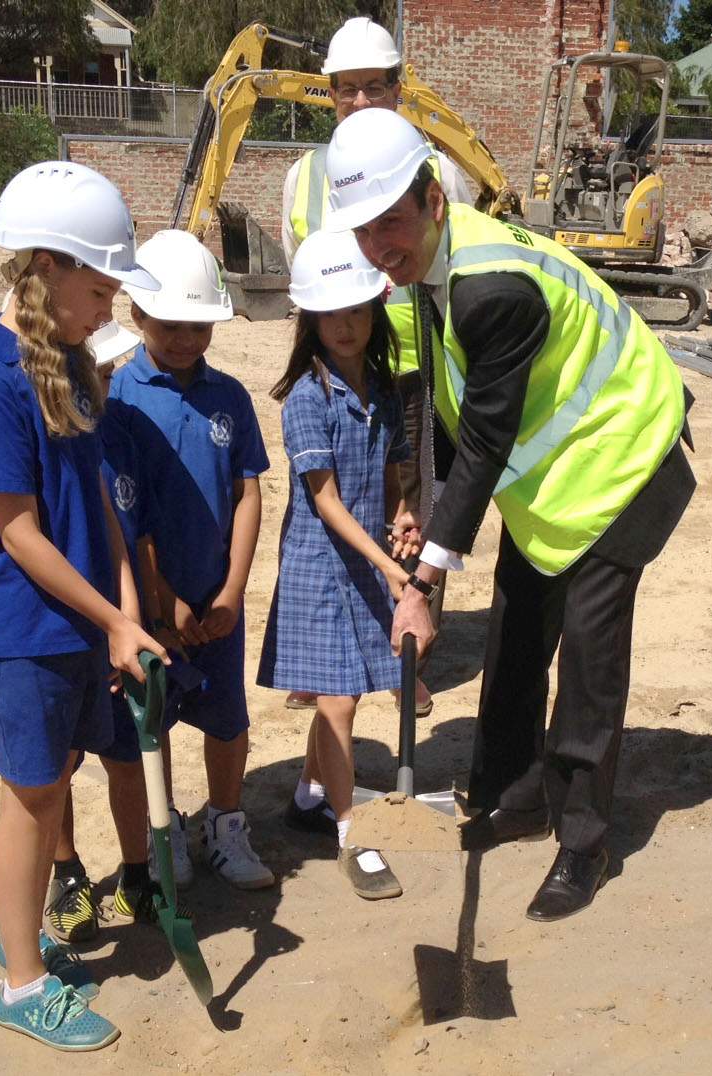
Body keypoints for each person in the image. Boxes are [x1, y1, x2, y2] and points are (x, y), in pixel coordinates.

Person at [324, 110, 697, 922]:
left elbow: (489, 436)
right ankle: (517, 792)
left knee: (591, 658)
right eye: (361, 230)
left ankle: (584, 841)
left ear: (430, 199)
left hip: (626, 458)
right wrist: (427, 520)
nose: (377, 247)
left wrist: (424, 579)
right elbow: (456, 410)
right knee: (518, 631)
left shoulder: (490, 286)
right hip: (560, 482)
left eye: (389, 222)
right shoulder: (425, 273)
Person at [0, 161, 167, 1049]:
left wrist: (124, 608)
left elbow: (101, 509)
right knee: (31, 797)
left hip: (75, 619)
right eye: (103, 283)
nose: (113, 301)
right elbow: (20, 534)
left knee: (50, 781)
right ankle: (21, 983)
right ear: (50, 269)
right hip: (21, 627)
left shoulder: (68, 365)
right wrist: (111, 619)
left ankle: (23, 938)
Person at [280, 15, 466, 713]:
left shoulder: (434, 168)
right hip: (335, 364)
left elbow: (449, 276)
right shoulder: (303, 177)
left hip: (410, 364)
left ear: (398, 87)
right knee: (328, 499)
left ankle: (408, 648)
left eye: (373, 87)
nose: (359, 101)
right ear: (329, 94)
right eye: (345, 89)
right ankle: (323, 647)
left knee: (411, 500)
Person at [107, 229, 276, 891]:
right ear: (137, 314)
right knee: (154, 722)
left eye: (200, 327)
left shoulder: (228, 398)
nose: (185, 340)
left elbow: (247, 493)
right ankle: (166, 826)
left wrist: (231, 589)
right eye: (170, 326)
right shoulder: (120, 402)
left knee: (227, 718)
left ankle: (225, 824)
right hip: (151, 612)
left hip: (217, 608)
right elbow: (128, 518)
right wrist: (161, 600)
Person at [257, 229, 418, 901]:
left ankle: (307, 796)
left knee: (340, 696)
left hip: (365, 559)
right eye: (332, 312)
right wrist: (389, 565)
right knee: (341, 701)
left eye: (357, 309)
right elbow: (323, 502)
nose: (347, 325)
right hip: (320, 569)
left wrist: (406, 509)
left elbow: (396, 469)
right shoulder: (305, 401)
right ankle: (352, 830)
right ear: (310, 320)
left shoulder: (382, 388)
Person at [40, 316, 167, 944]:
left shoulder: (119, 436)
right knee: (58, 761)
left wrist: (132, 621)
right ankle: (65, 873)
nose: (109, 381)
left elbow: (130, 537)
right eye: (102, 370)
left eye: (114, 371)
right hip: (63, 625)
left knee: (126, 752)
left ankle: (138, 871)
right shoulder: (46, 438)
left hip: (119, 628)